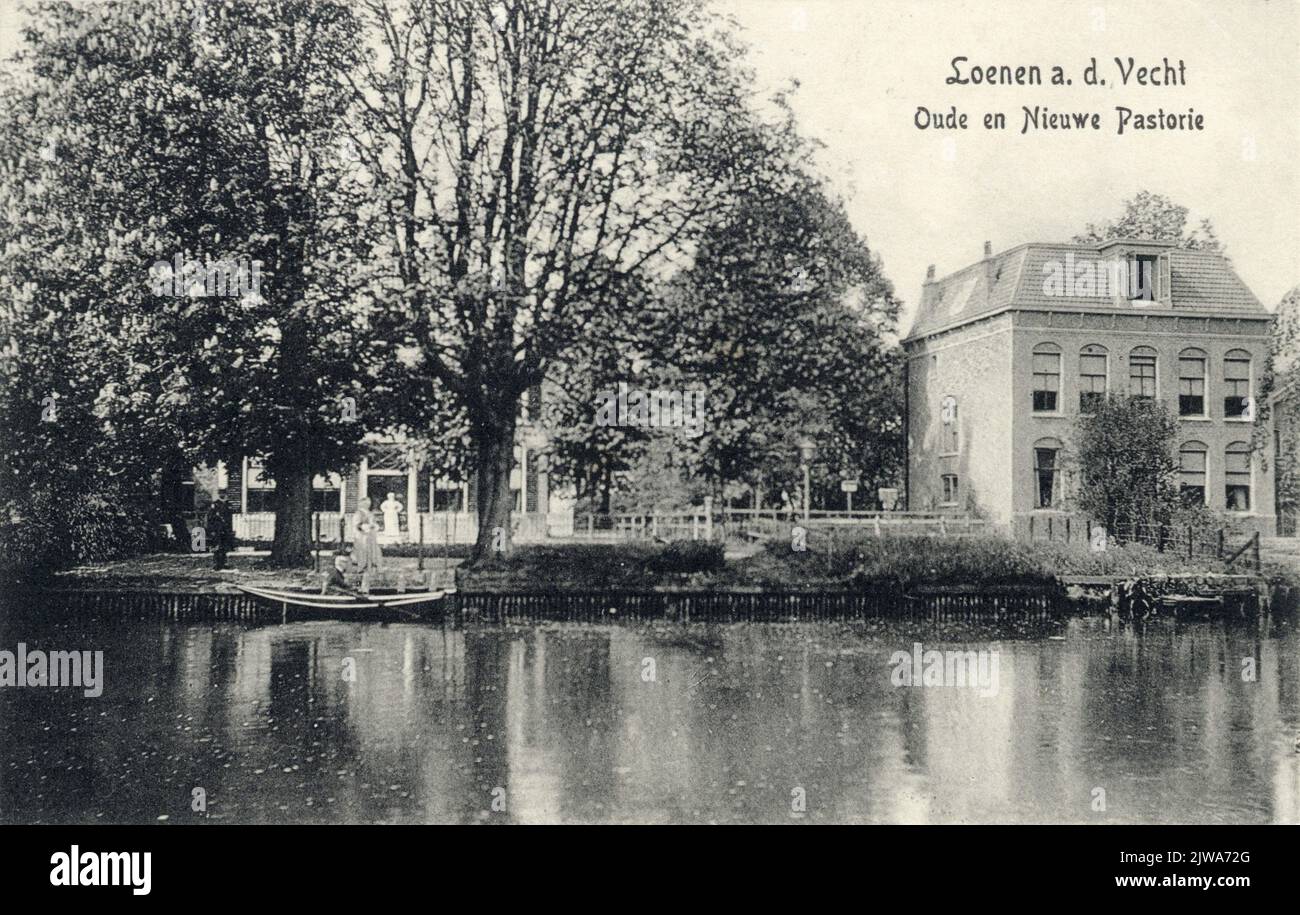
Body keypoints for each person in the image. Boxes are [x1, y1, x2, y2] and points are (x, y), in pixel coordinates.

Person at [352, 496, 383, 575]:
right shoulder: (359, 513)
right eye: (366, 503)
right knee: (363, 551)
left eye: (369, 503)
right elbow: (357, 525)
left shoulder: (370, 513)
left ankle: (372, 568)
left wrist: (374, 525)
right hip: (362, 535)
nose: (368, 504)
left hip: (370, 535)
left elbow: (373, 522)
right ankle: (362, 567)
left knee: (373, 551)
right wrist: (366, 526)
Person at [205, 498, 234, 571]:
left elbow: (229, 519)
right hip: (216, 530)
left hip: (225, 530)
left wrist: (230, 530)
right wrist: (211, 530)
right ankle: (217, 564)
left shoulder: (227, 505)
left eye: (224, 492)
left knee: (224, 547)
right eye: (221, 492)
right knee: (217, 547)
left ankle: (223, 563)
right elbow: (210, 518)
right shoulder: (215, 505)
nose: (222, 494)